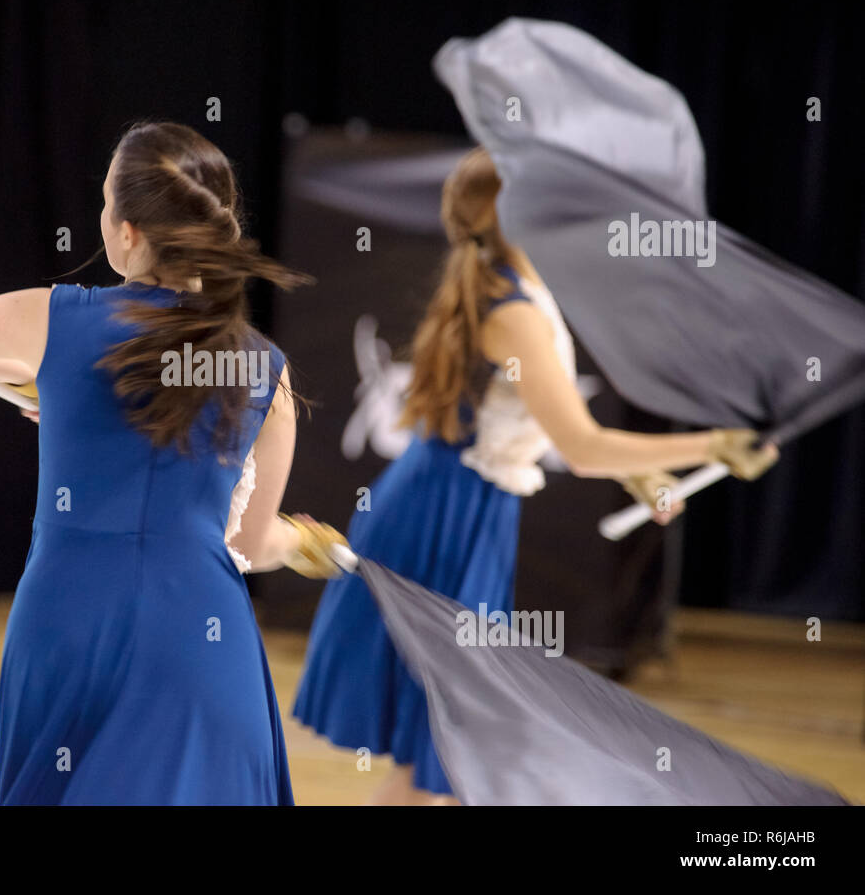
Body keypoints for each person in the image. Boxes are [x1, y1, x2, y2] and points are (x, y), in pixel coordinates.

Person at [291, 147, 777, 805]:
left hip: (455, 505)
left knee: (455, 745)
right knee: (447, 742)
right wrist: (715, 445)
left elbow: (537, 416)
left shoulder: (513, 286)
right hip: (445, 515)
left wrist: (642, 476)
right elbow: (582, 445)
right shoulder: (511, 310)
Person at [0, 120, 333, 804]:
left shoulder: (59, 318)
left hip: (72, 621)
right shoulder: (265, 371)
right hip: (203, 638)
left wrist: (42, 375)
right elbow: (247, 542)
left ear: (127, 232)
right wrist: (304, 543)